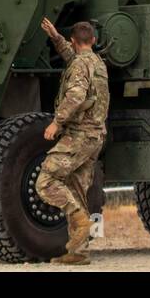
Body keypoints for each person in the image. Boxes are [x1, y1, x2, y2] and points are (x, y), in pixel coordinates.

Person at [36, 16, 110, 265]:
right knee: (77, 190)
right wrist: (56, 38)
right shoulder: (97, 63)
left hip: (80, 135)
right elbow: (73, 59)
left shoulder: (80, 65)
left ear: (74, 40)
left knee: (46, 181)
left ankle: (80, 221)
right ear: (94, 41)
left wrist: (57, 122)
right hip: (96, 137)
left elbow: (76, 95)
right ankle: (79, 253)